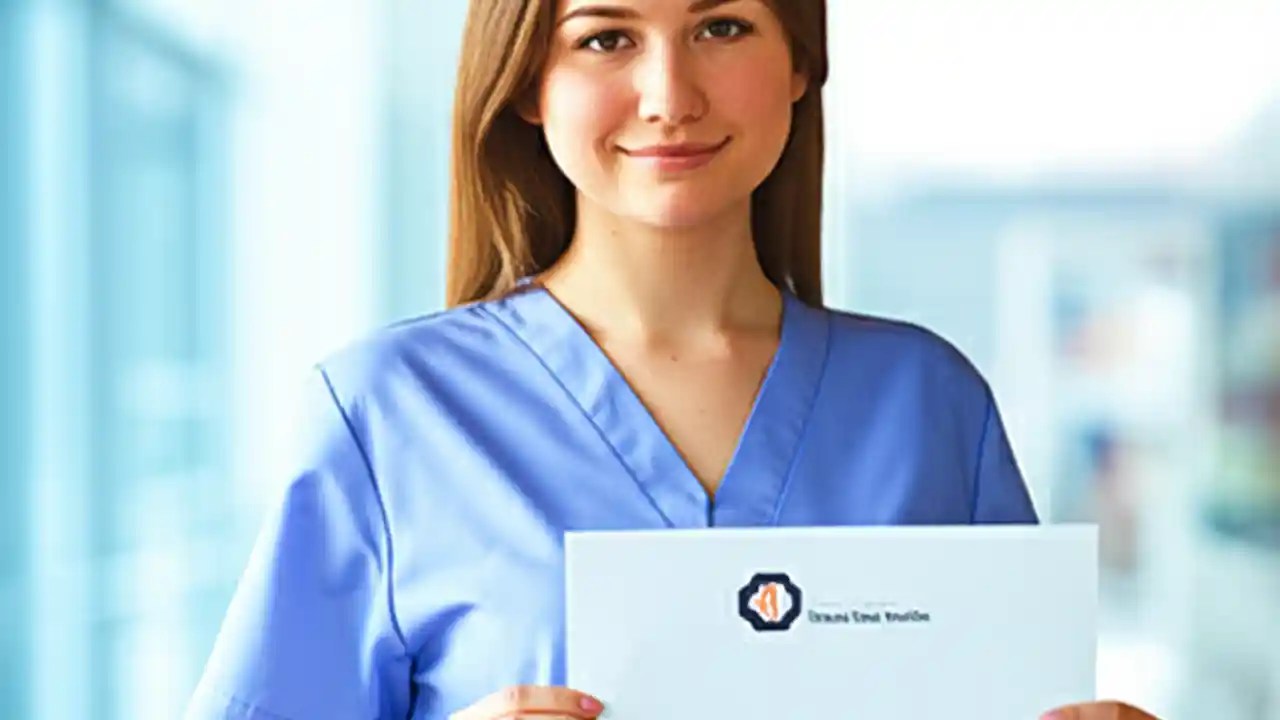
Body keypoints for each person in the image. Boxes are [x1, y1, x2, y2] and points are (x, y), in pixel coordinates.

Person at [185, 0, 1160, 718]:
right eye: (604, 37)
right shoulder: (387, 415)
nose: (669, 96)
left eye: (722, 27)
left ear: (798, 64)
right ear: (528, 81)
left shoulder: (926, 404)